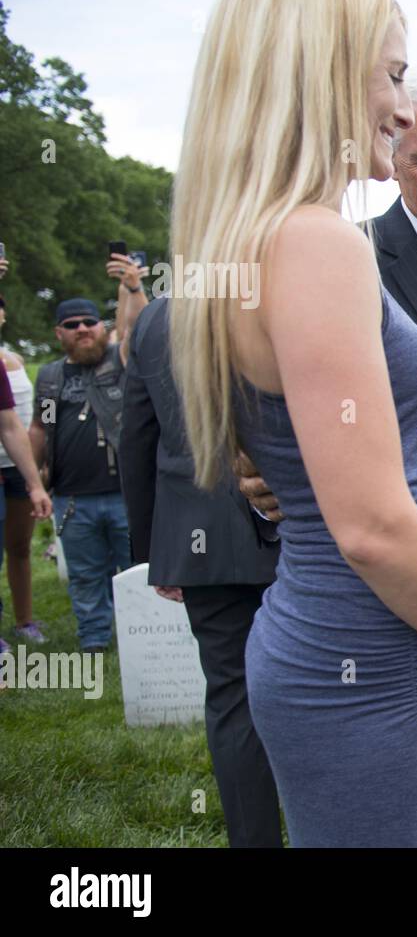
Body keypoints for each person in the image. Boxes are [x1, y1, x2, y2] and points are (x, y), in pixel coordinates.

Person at [168, 0, 417, 846]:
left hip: (349, 648)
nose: (402, 110)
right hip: (384, 661)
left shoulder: (249, 236)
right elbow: (370, 526)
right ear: (322, 72)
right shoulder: (316, 241)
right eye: (392, 75)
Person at [119, 294, 284, 847]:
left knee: (233, 697)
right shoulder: (276, 292)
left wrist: (153, 550)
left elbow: (137, 440)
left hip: (201, 543)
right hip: (292, 529)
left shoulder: (154, 319)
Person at [30, 274, 146, 652]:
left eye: (89, 322)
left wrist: (132, 288)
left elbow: (135, 328)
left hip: (125, 493)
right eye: (71, 325)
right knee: (84, 575)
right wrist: (36, 478)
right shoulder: (49, 378)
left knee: (137, 570)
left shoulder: (121, 361)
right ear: (58, 333)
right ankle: (94, 640)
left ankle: (143, 639)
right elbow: (41, 427)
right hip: (73, 498)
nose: (82, 329)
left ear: (102, 327)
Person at [0, 294, 42, 644]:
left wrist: (35, 481)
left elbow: (12, 425)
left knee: (19, 546)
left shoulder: (10, 361)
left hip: (16, 463)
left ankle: (24, 620)